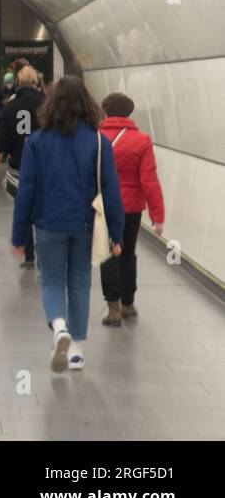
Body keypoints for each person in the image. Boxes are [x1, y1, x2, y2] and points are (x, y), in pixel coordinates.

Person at [11, 76, 124, 373]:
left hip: (48, 224)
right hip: (85, 225)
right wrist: (116, 234)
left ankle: (59, 327)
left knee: (51, 280)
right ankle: (75, 350)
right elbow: (111, 191)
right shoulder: (100, 142)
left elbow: (26, 191)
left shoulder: (36, 142)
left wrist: (19, 234)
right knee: (79, 282)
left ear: (52, 104)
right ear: (87, 103)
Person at [98, 93, 166, 325]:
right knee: (128, 254)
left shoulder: (97, 137)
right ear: (129, 112)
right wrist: (158, 216)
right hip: (131, 207)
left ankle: (113, 309)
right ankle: (128, 304)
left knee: (108, 253)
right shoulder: (142, 140)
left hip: (105, 206)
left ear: (105, 112)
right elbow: (149, 180)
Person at [0, 66, 46, 269]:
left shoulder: (10, 106)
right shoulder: (45, 104)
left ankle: (29, 256)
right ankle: (44, 255)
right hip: (43, 163)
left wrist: (1, 151)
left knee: (23, 206)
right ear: (36, 82)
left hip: (19, 163)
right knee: (43, 208)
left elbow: (4, 136)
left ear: (18, 81)